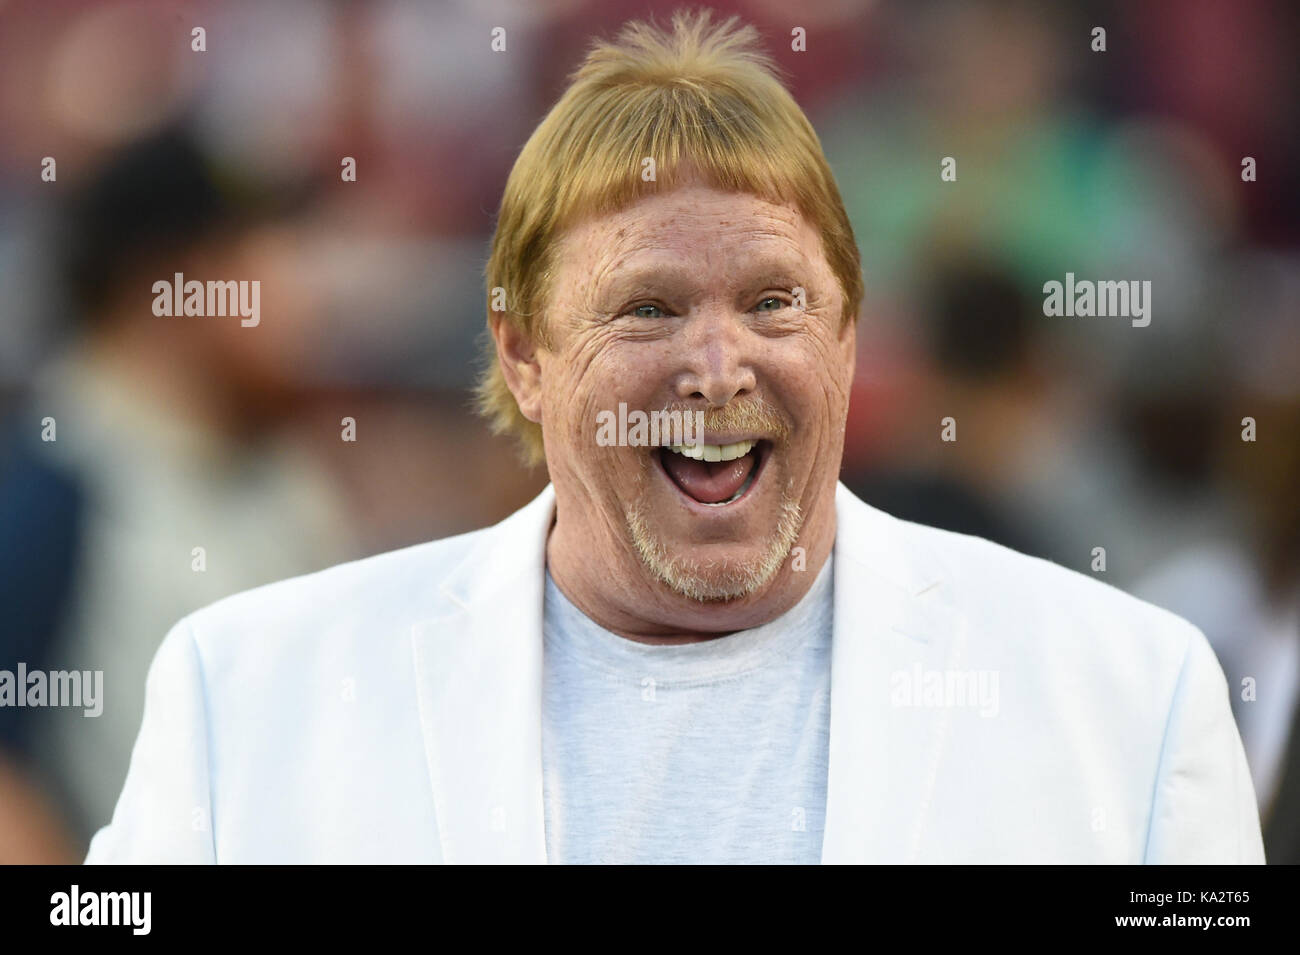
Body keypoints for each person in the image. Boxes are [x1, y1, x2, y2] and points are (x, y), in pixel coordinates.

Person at [86, 11, 1263, 864]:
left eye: (773, 302)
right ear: (522, 354)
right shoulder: (249, 697)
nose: (716, 367)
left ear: (849, 336)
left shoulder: (1128, 697)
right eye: (647, 307)